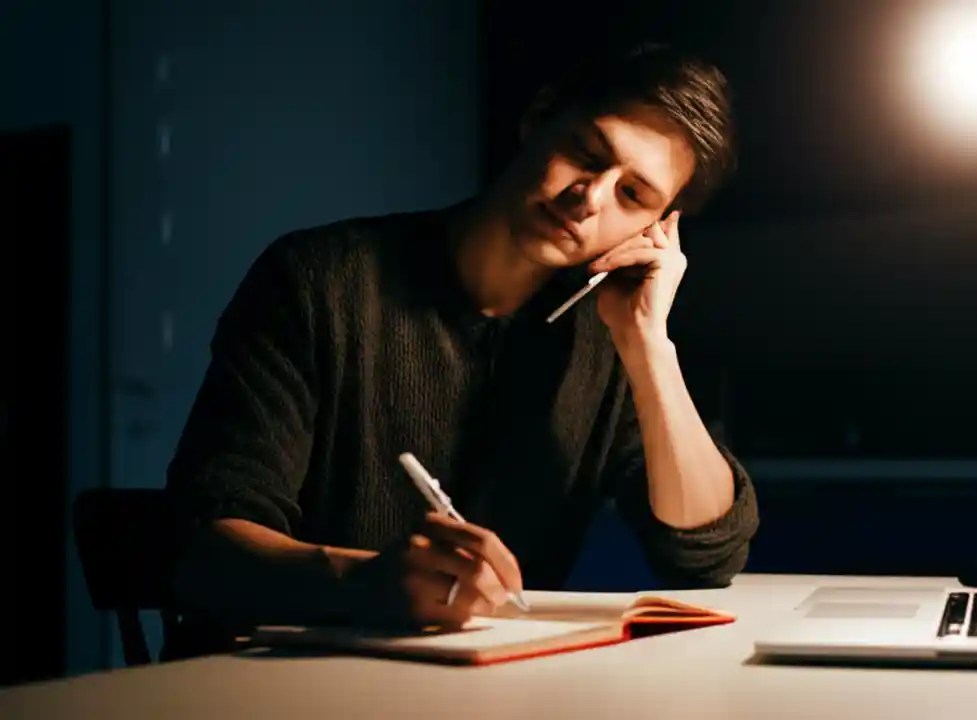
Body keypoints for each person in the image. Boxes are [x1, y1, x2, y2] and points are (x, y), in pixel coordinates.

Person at [164, 43, 759, 652]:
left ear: (656, 227)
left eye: (633, 195)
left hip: (479, 688)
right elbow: (204, 546)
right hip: (276, 678)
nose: (589, 198)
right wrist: (364, 582)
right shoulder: (319, 280)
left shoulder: (602, 338)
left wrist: (648, 345)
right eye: (586, 153)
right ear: (539, 117)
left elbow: (706, 550)